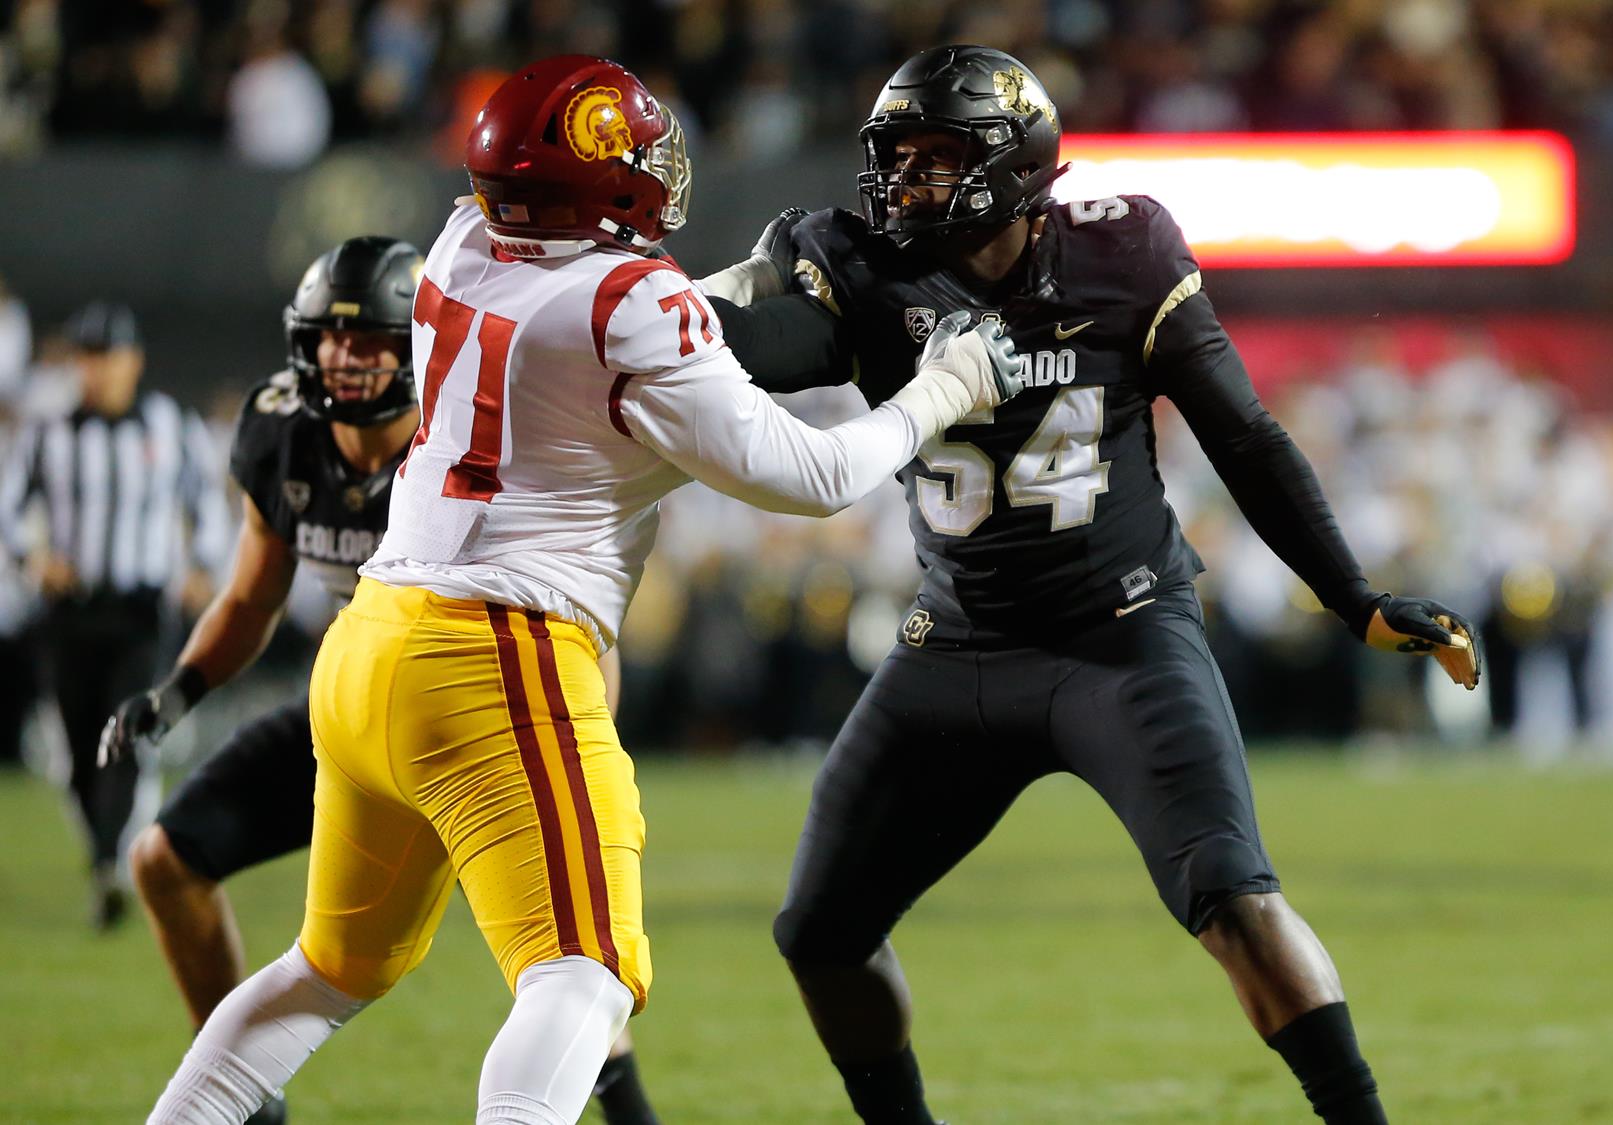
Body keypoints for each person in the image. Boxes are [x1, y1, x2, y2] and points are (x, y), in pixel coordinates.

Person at [143, 53, 1022, 1125]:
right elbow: (817, 476)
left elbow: (612, 345)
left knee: (329, 968)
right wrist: (944, 388)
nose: (653, 164)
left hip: (370, 645)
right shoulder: (629, 298)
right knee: (583, 975)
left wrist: (727, 304)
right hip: (493, 657)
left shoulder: (464, 241)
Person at [711, 46, 1479, 1124]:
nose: (907, 181)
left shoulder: (1122, 250)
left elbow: (1244, 438)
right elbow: (773, 348)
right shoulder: (863, 262)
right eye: (898, 155)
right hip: (955, 649)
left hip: (1119, 639)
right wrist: (651, 317)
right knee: (818, 935)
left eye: (938, 156)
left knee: (1236, 904)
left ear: (1014, 168)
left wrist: (1350, 596)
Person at [101, 236, 662, 1125]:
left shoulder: (477, 433)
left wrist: (571, 759)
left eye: (368, 341)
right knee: (167, 863)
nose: (344, 358)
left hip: (494, 708)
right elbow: (252, 593)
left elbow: (574, 623)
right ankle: (248, 1094)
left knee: (559, 943)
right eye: (330, 337)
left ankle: (632, 1112)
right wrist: (179, 689)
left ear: (422, 348)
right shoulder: (284, 430)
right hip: (359, 708)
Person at [0, 299, 228, 929]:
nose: (96, 371)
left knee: (125, 730)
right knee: (76, 745)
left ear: (133, 361)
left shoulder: (169, 426)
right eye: (86, 358)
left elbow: (206, 501)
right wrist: (32, 559)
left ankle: (106, 862)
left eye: (107, 357)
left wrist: (204, 566)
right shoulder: (47, 434)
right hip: (71, 610)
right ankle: (108, 850)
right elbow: (11, 509)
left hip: (142, 608)